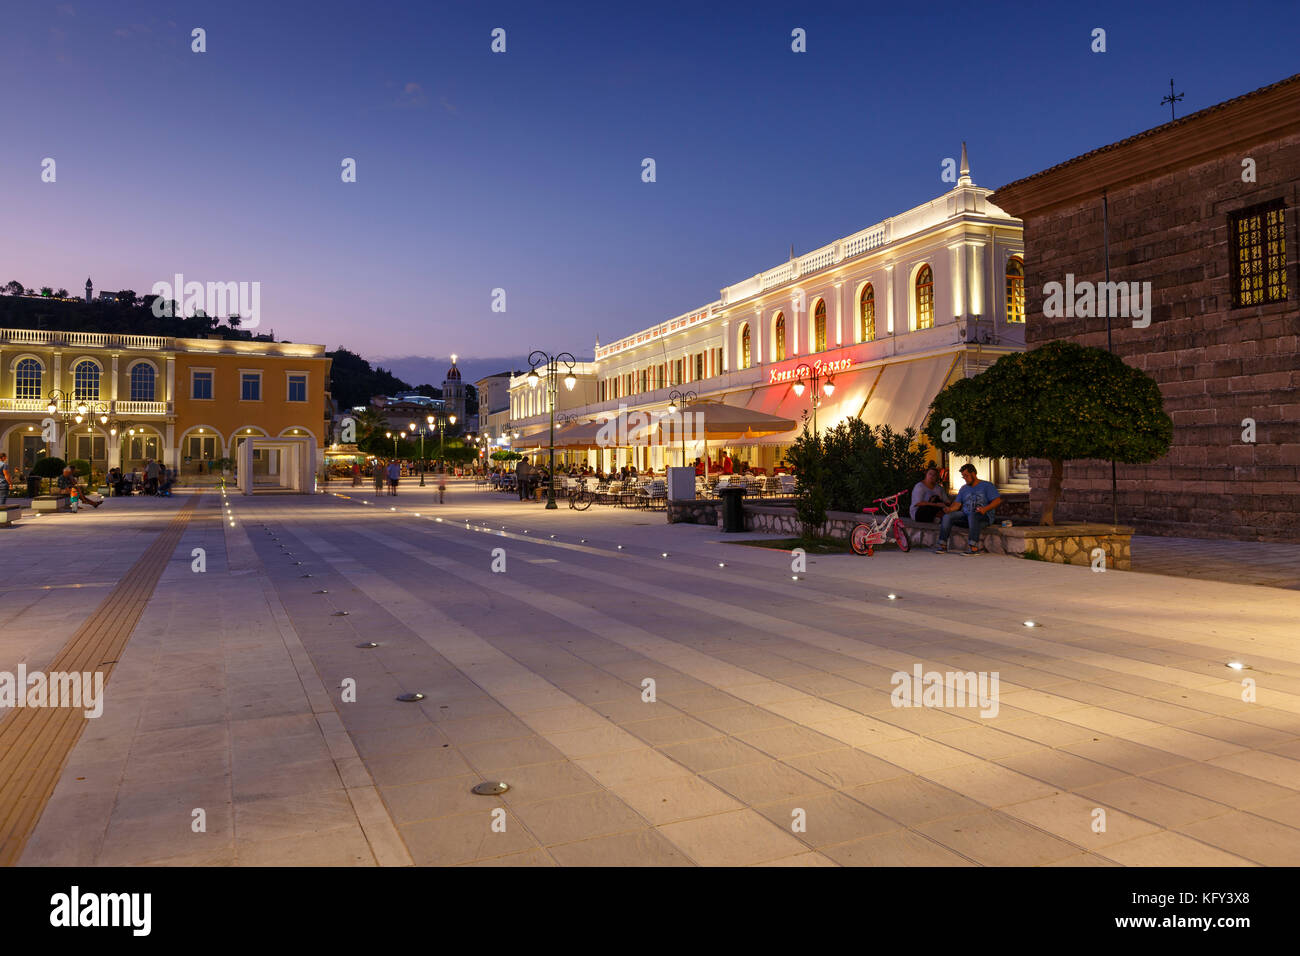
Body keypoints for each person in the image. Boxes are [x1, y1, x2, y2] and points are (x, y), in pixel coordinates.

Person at [933, 464, 1002, 555]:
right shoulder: (964, 488)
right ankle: (943, 545)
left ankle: (973, 548)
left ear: (973, 474)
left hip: (982, 516)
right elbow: (957, 505)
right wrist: (949, 510)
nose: (965, 478)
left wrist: (985, 509)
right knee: (947, 517)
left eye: (966, 475)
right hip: (965, 516)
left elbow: (997, 501)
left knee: (973, 515)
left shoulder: (987, 485)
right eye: (963, 476)